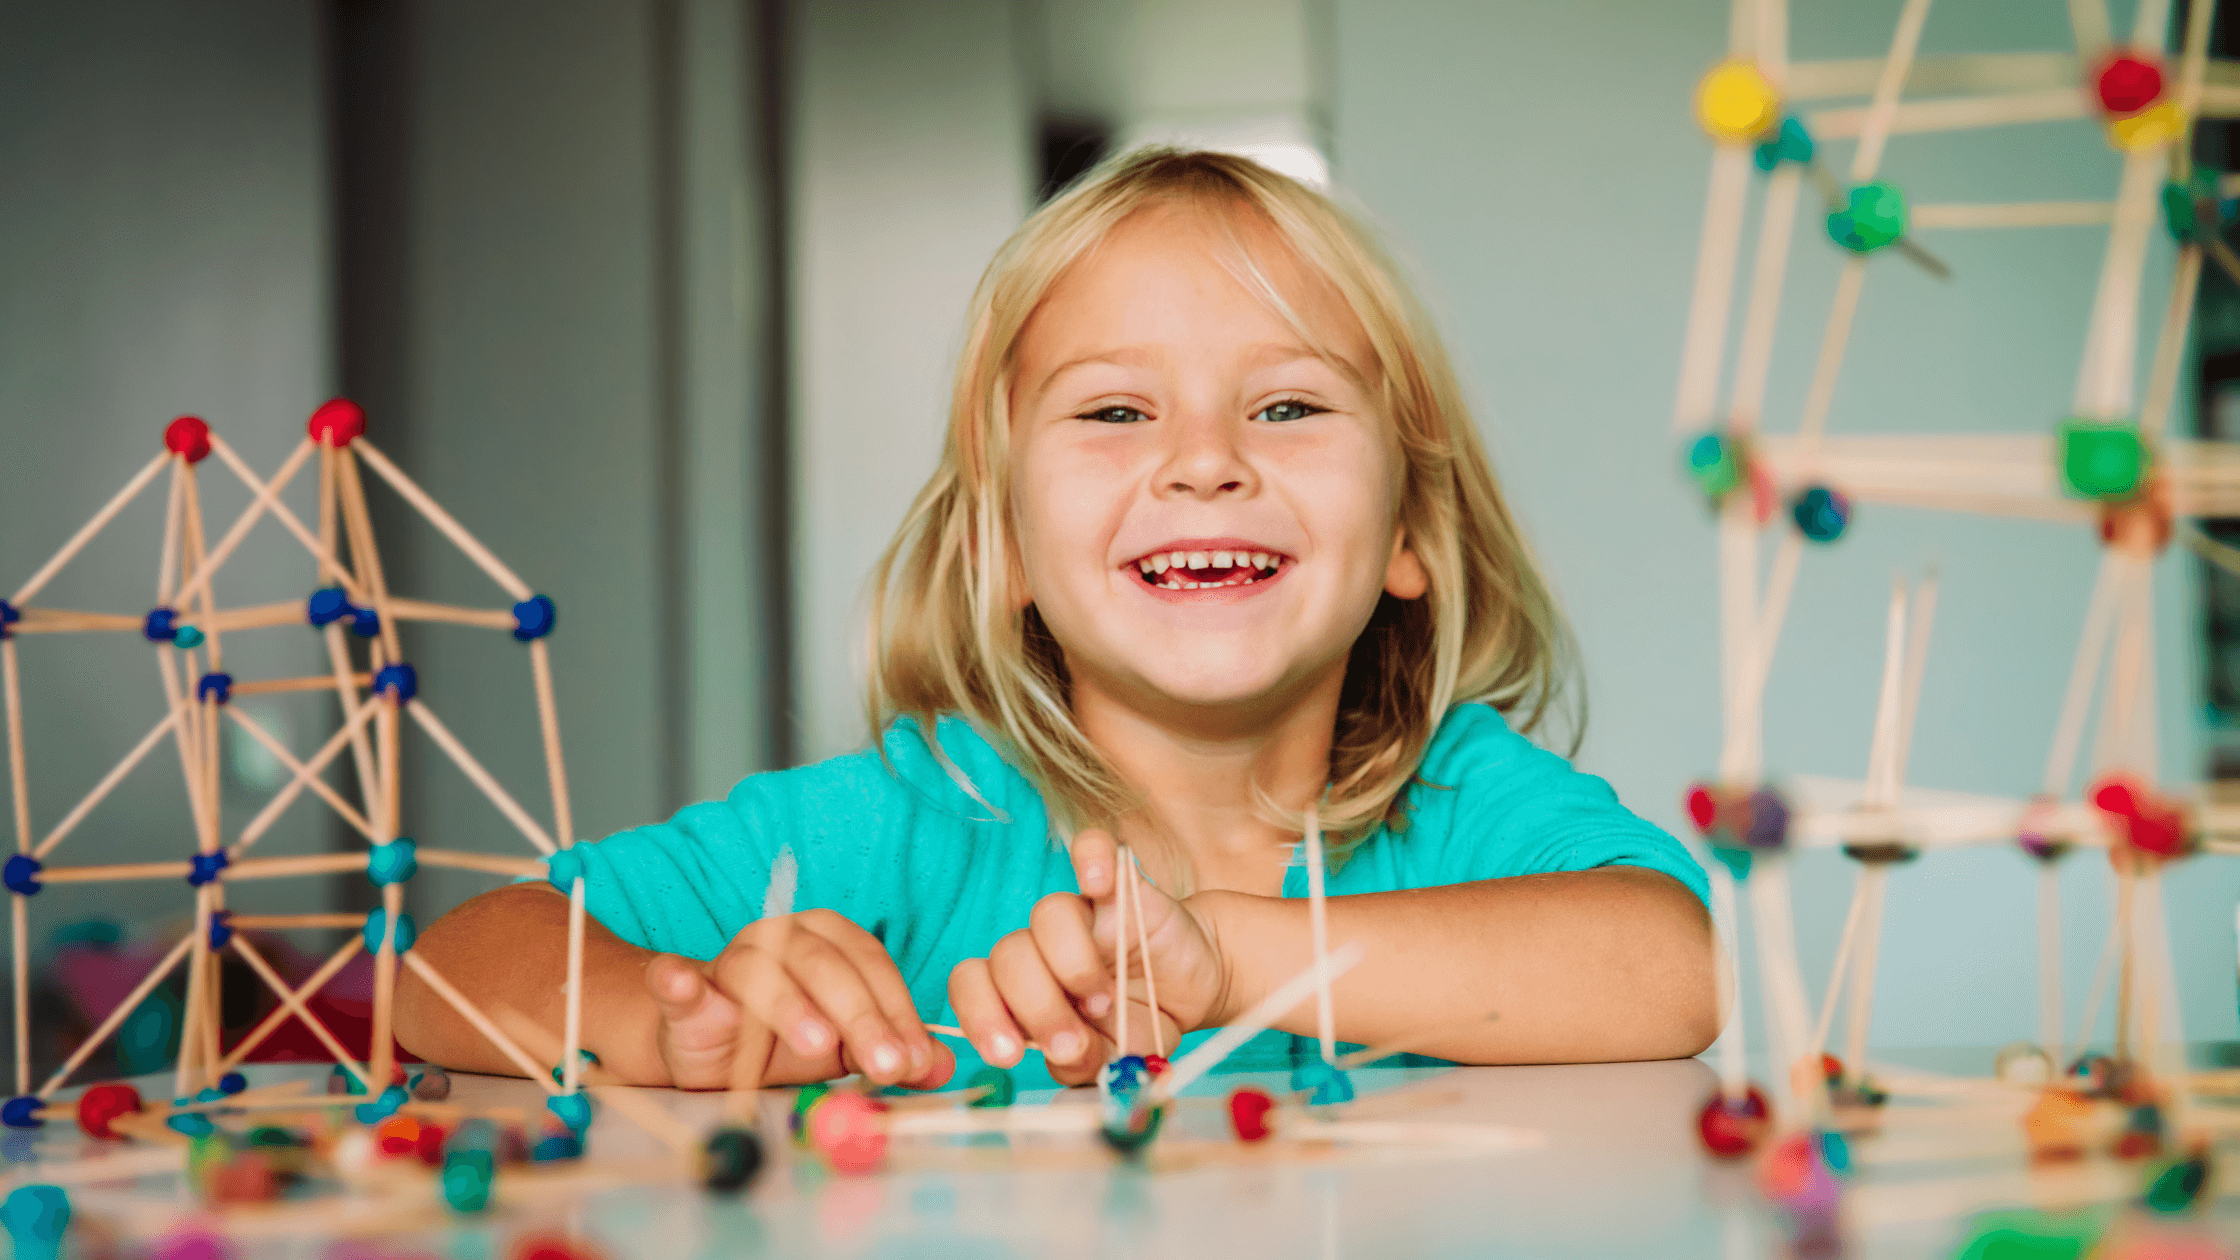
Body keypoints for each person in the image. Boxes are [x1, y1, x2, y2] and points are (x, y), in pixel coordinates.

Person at [396, 148, 1719, 1092]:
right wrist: (662, 1019)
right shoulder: (917, 820)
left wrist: (1225, 955)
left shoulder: (1456, 800)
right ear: (1009, 548)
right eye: (1114, 412)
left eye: (1289, 408)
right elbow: (444, 968)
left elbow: (1675, 968)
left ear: (1412, 538)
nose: (1205, 461)